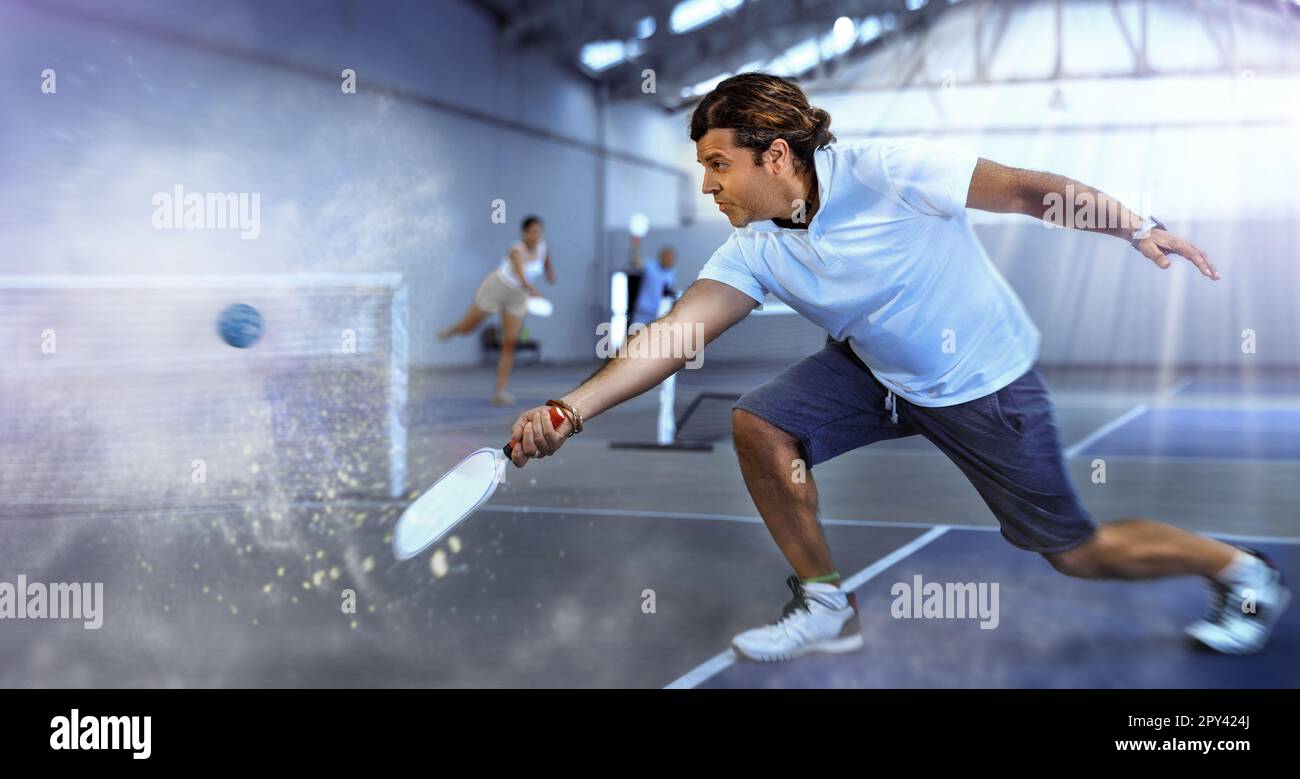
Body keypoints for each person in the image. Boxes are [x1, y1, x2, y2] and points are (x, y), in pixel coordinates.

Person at [503, 73, 1288, 662]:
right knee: (760, 425)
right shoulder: (755, 245)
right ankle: (823, 602)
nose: (707, 184)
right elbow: (675, 335)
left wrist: (1133, 226)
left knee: (1076, 551)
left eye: (717, 164)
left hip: (985, 387)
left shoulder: (887, 172)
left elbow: (1024, 191)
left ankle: (1240, 567)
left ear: (776, 154)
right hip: (875, 373)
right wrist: (570, 411)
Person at [438, 215, 555, 405]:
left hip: (518, 296)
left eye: (539, 232)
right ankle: (453, 329)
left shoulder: (543, 247)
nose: (536, 235)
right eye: (532, 232)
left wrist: (550, 273)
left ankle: (499, 391)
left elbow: (546, 260)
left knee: (509, 342)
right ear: (523, 233)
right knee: (468, 327)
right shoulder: (516, 250)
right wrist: (534, 292)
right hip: (498, 287)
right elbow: (522, 277)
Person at [628, 235, 677, 327]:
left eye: (672, 259)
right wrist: (634, 246)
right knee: (635, 337)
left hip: (657, 313)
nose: (671, 261)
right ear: (662, 257)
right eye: (668, 258)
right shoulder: (650, 266)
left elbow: (667, 292)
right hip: (643, 311)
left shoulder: (671, 273)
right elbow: (634, 261)